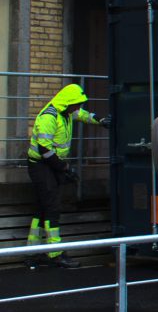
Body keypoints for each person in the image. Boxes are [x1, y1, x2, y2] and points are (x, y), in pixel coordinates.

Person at [25, 83, 110, 268]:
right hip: (42, 165)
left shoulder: (66, 112)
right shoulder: (49, 117)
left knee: (42, 207)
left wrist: (100, 120)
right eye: (76, 104)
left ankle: (32, 253)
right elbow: (44, 150)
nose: (78, 108)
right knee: (52, 207)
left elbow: (83, 115)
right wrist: (65, 168)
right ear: (68, 103)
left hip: (49, 165)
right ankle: (54, 253)